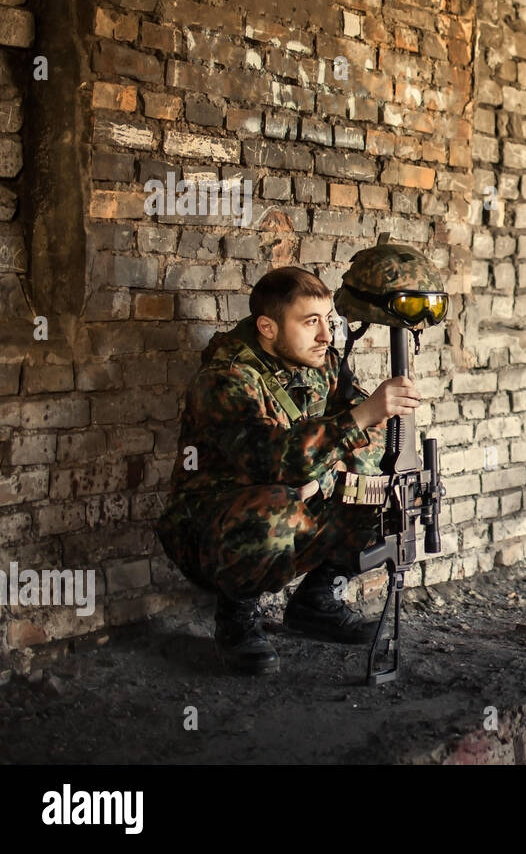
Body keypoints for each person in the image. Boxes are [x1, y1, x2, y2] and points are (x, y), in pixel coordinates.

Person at [155, 264, 424, 675]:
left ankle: (317, 603)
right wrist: (361, 418)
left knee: (386, 483)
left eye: (329, 321)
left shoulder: (323, 364)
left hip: (297, 503)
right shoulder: (227, 379)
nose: (325, 334)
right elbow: (272, 462)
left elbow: (370, 436)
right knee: (275, 502)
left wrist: (334, 468)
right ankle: (236, 620)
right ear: (267, 326)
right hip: (210, 527)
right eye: (310, 322)